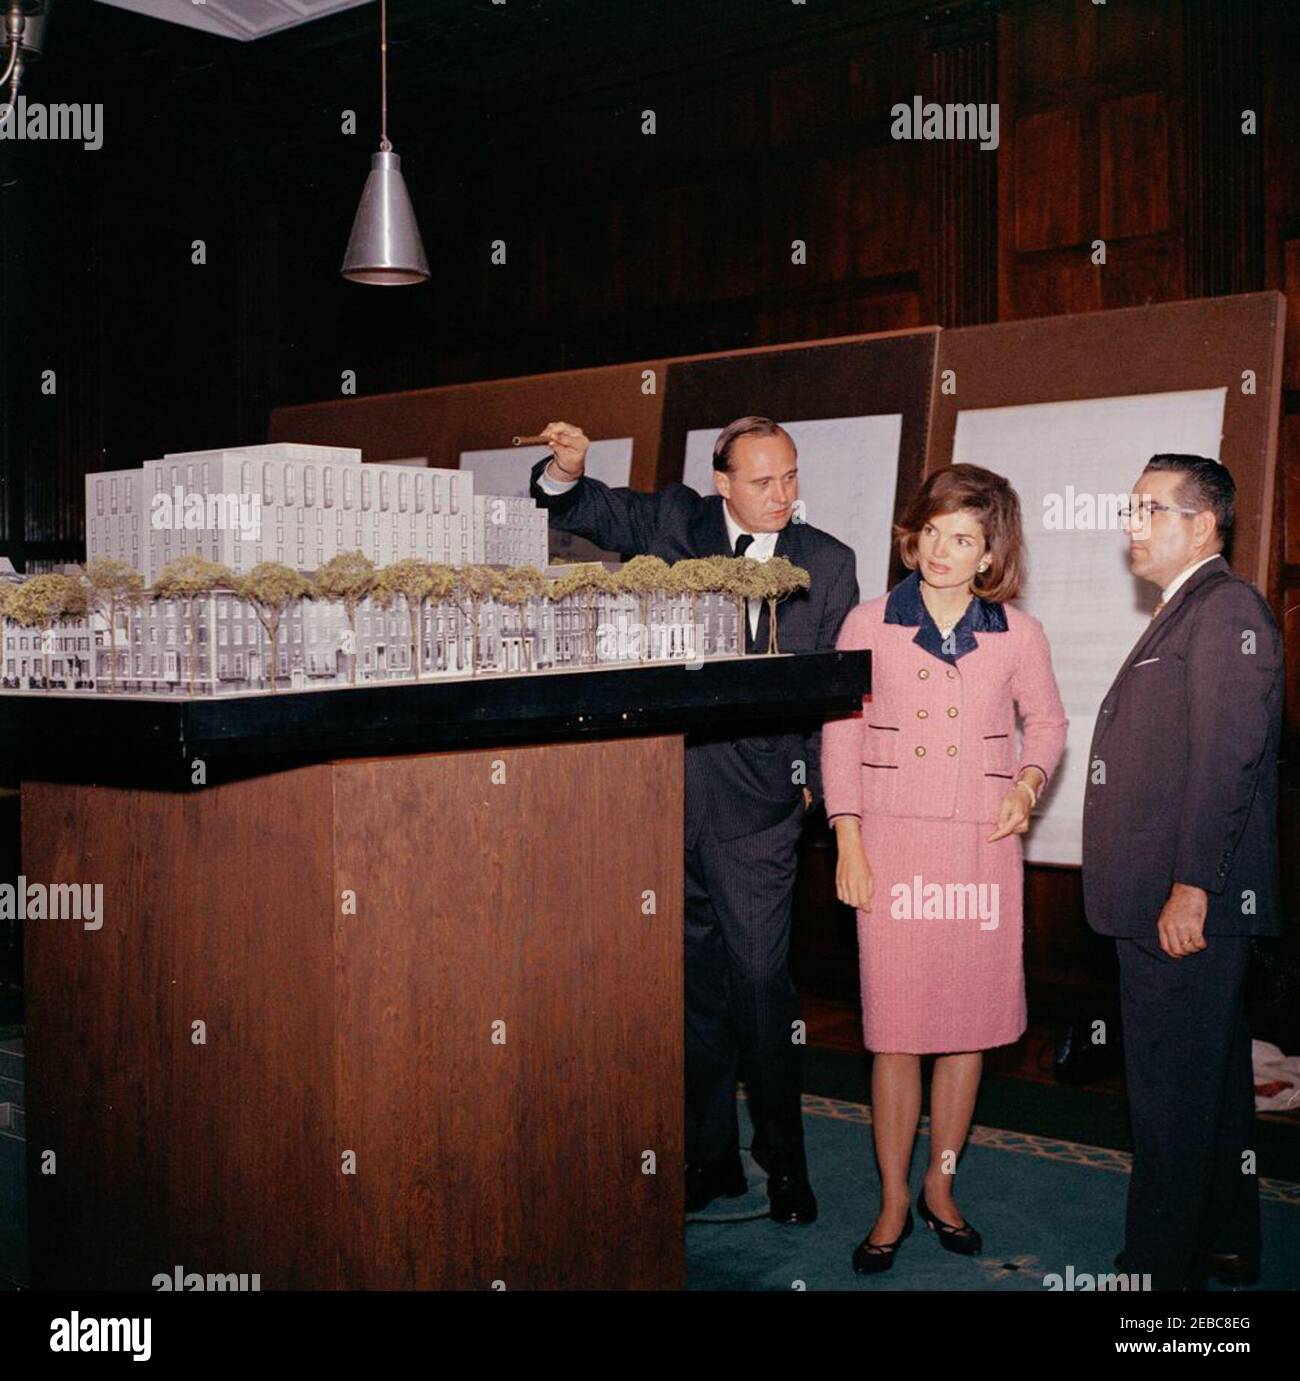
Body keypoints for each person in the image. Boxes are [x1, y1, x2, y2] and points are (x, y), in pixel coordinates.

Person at [529, 417, 858, 1222]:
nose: (782, 494)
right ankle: (707, 1162)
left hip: (761, 808)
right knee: (690, 993)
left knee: (759, 985)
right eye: (762, 481)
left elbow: (834, 689)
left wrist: (813, 785)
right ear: (721, 481)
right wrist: (565, 470)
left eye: (789, 477)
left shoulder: (828, 560)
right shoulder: (678, 522)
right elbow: (580, 511)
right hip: (666, 799)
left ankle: (784, 1160)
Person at [821, 464, 1067, 1274]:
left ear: (991, 551)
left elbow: (1050, 725)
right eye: (932, 531)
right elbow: (841, 736)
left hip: (979, 849)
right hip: (890, 849)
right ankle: (892, 1196)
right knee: (895, 1032)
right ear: (913, 533)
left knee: (966, 1031)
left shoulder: (1018, 634)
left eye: (963, 538)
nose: (941, 550)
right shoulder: (867, 621)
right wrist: (847, 838)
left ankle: (940, 1184)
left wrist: (1028, 786)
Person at [1083, 454, 1282, 1291]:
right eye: (1129, 509)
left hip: (1185, 900)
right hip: (1170, 895)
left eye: (1148, 510)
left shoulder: (1226, 609)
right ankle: (1229, 1241)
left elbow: (1226, 764)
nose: (1131, 524)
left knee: (1169, 1100)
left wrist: (1193, 884)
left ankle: (1160, 1282)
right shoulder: (1193, 609)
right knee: (1215, 1083)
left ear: (1202, 523)